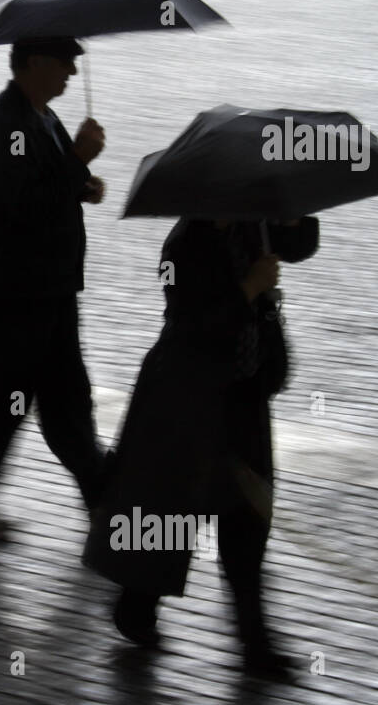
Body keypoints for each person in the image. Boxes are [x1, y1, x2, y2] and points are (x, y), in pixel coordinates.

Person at [84, 216, 319, 679]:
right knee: (174, 511)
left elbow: (300, 245)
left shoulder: (252, 227)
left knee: (246, 522)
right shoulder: (184, 244)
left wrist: (294, 211)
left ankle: (254, 644)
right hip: (186, 397)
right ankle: (137, 602)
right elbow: (193, 324)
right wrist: (248, 288)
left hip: (243, 400)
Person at [0, 37, 108, 539]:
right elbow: (22, 206)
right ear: (35, 63)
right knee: (10, 400)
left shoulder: (40, 118)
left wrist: (83, 183)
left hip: (48, 288)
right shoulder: (5, 126)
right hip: (16, 290)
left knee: (59, 399)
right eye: (65, 64)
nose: (72, 75)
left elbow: (49, 186)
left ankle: (102, 502)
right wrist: (77, 161)